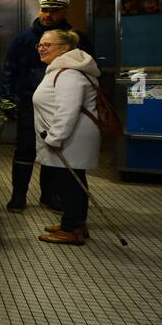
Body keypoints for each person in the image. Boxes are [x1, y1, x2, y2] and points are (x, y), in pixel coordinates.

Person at [1, 0, 92, 211]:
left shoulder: (75, 38)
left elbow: (87, 66)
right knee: (24, 151)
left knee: (54, 150)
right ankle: (18, 196)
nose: (48, 15)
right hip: (28, 103)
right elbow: (9, 69)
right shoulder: (23, 39)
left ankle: (50, 196)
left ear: (64, 12)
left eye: (54, 11)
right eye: (45, 10)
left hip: (62, 104)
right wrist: (7, 97)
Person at [32, 29, 101, 245]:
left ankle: (71, 229)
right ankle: (74, 223)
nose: (41, 48)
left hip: (69, 139)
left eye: (48, 44)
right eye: (40, 45)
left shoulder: (69, 73)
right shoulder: (62, 69)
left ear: (64, 48)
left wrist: (55, 138)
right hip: (68, 138)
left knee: (69, 183)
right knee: (73, 181)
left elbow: (67, 110)